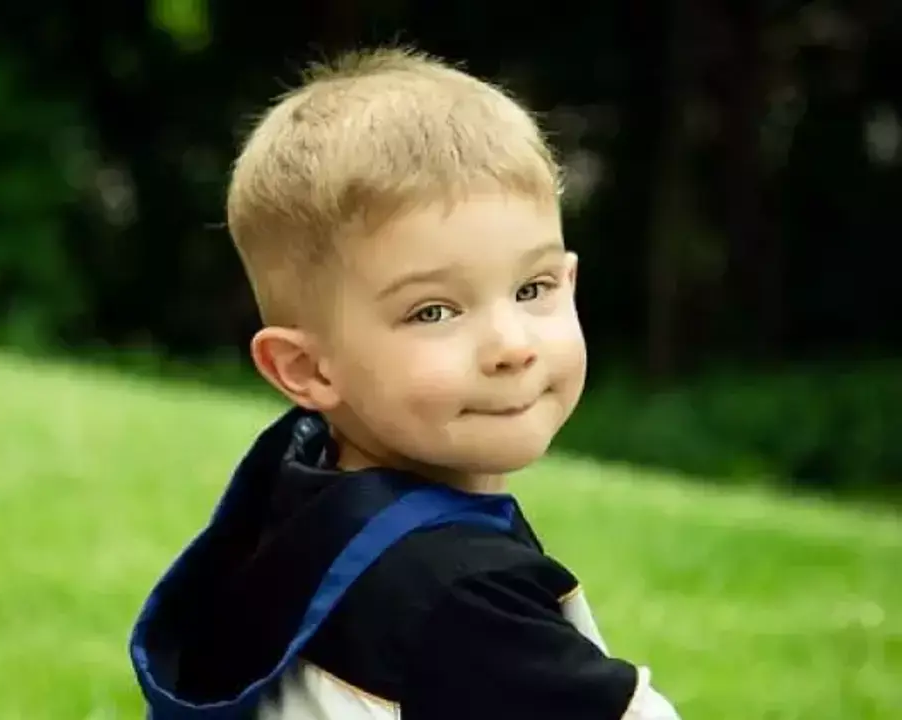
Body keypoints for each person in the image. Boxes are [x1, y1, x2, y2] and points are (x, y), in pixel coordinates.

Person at [129, 46, 682, 719]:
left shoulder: (301, 502)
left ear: (570, 281)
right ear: (305, 370)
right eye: (434, 311)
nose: (511, 346)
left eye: (531, 288)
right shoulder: (456, 596)